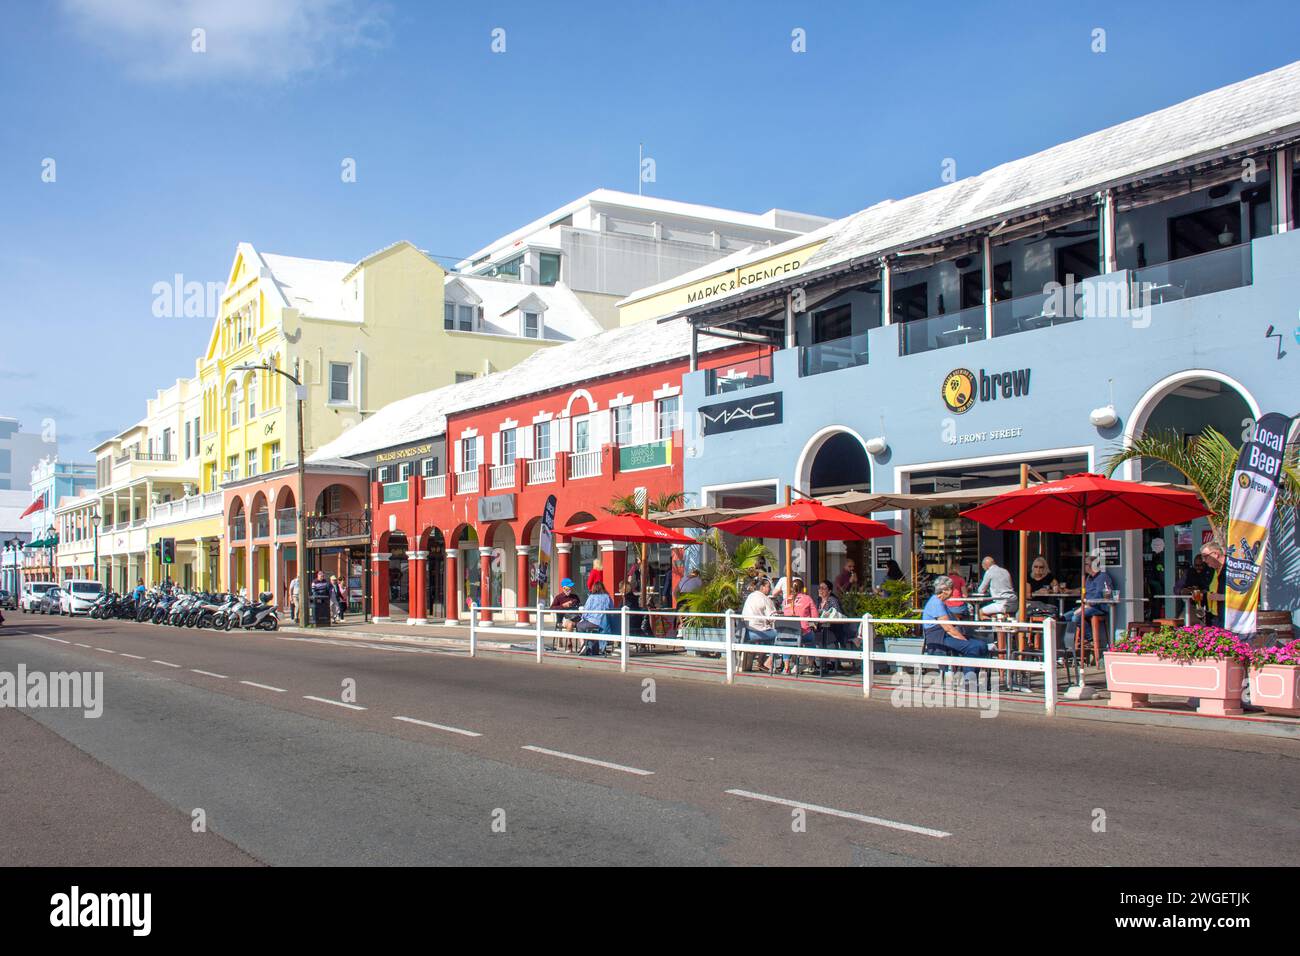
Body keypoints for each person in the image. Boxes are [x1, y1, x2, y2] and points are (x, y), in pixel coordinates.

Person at [922, 575, 989, 684]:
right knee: (973, 647)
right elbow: (948, 628)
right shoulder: (936, 603)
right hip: (940, 639)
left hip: (946, 636)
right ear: (945, 590)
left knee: (982, 645)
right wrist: (964, 640)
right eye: (951, 589)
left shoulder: (941, 602)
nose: (953, 591)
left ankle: (975, 678)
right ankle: (969, 682)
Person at [1062, 555, 1115, 661]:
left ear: (1093, 565)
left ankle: (1090, 638)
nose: (1084, 567)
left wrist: (1085, 606)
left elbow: (1100, 595)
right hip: (1085, 606)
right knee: (1064, 617)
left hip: (1098, 607)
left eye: (1085, 564)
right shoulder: (1088, 578)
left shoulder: (1103, 577)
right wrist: (1070, 591)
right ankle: (1068, 645)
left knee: (1076, 617)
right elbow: (1084, 591)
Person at [780, 577, 818, 676]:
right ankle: (810, 666)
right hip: (802, 633)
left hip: (787, 633)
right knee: (811, 639)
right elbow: (815, 617)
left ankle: (786, 667)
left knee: (786, 641)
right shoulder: (807, 598)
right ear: (803, 589)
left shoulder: (786, 600)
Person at [740, 577, 777, 673]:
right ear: (762, 587)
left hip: (746, 631)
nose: (770, 589)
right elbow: (773, 617)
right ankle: (765, 662)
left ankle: (761, 662)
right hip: (758, 632)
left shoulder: (750, 596)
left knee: (768, 633)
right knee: (778, 635)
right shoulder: (765, 599)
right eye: (768, 587)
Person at [576, 580, 614, 655]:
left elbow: (586, 612)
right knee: (593, 628)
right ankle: (591, 647)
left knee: (579, 625)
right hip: (605, 623)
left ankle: (583, 644)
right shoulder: (608, 597)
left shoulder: (591, 597)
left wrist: (584, 618)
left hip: (593, 622)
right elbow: (612, 609)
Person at [1198, 540, 1226, 627]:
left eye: (1205, 557)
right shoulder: (1212, 570)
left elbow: (1243, 593)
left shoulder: (1231, 569)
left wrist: (1224, 597)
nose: (1204, 560)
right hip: (1215, 616)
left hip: (1229, 618)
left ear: (1216, 554)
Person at [549, 578, 582, 649]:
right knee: (570, 624)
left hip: (576, 618)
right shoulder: (558, 597)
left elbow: (580, 607)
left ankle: (584, 646)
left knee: (582, 624)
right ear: (564, 588)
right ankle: (569, 643)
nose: (570, 589)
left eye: (571, 587)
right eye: (568, 587)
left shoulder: (575, 597)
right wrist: (563, 606)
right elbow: (551, 608)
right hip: (563, 619)